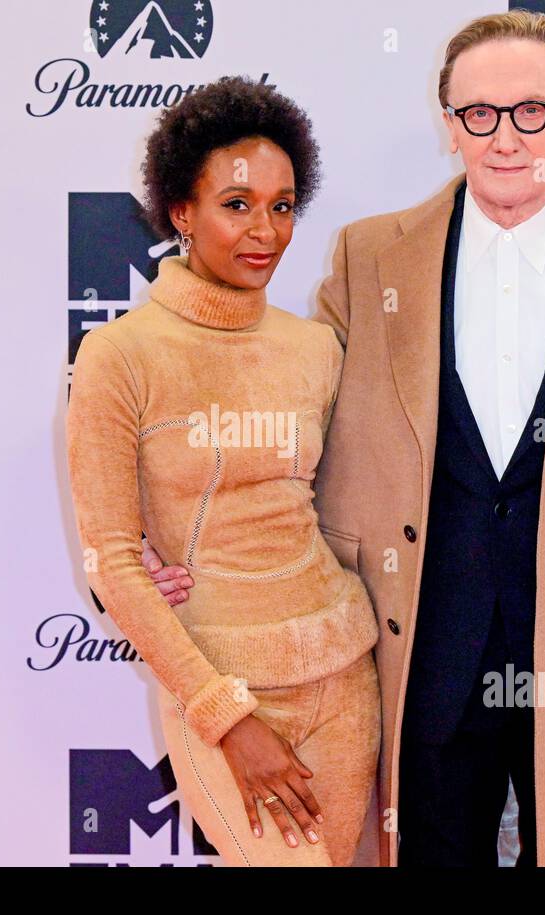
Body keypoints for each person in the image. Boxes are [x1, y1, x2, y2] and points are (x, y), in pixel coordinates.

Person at [143, 10, 545, 866]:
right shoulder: (369, 256)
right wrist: (175, 542)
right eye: (479, 114)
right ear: (448, 122)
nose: (505, 137)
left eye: (531, 110)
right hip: (415, 643)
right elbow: (291, 444)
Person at [65, 76, 382, 866]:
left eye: (281, 206)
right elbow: (111, 554)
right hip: (221, 682)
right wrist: (228, 718)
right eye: (236, 204)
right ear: (181, 212)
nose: (265, 231)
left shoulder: (315, 348)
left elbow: (342, 507)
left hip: (344, 671)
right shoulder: (119, 355)